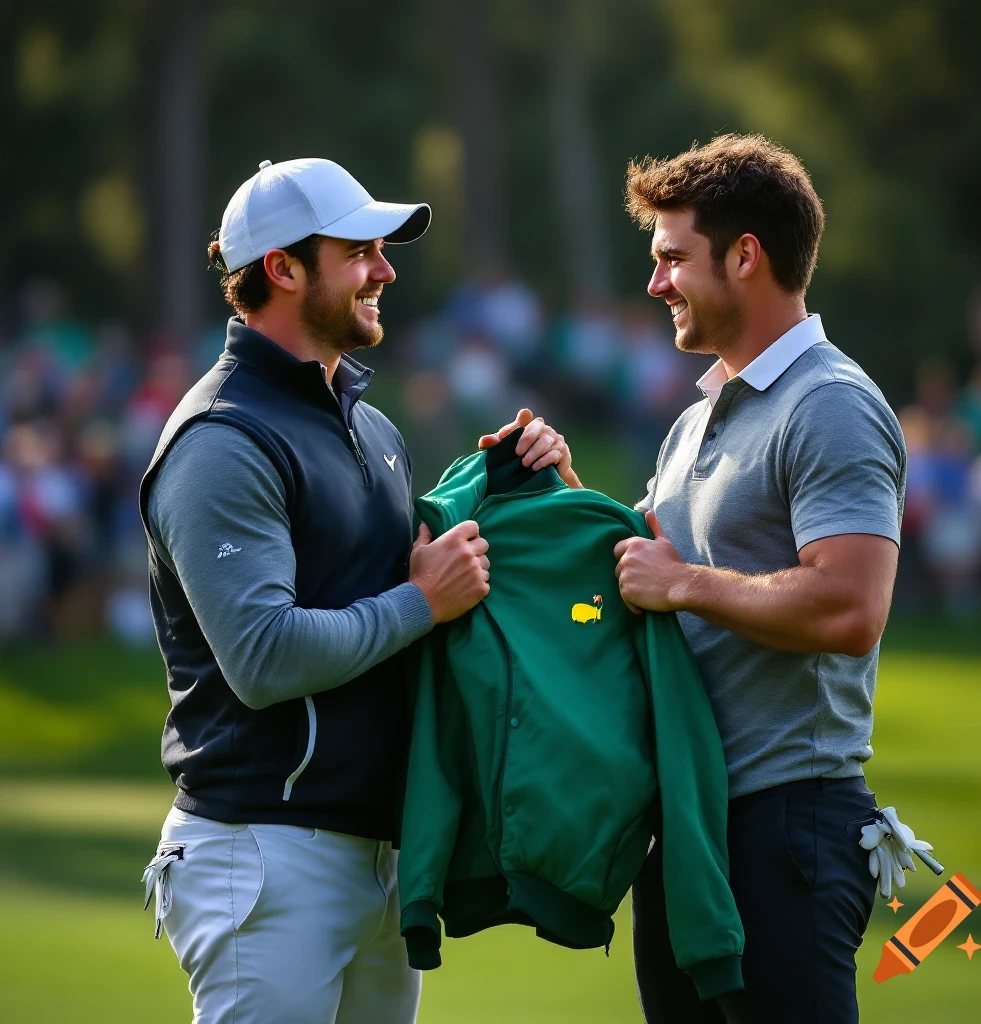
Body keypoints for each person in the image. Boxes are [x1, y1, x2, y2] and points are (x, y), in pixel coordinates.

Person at [138, 157, 572, 1024]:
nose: (386, 270)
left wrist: (531, 481)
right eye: (361, 251)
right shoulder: (222, 439)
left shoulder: (368, 426)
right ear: (283, 269)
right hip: (262, 849)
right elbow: (263, 657)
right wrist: (421, 604)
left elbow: (429, 580)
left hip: (375, 855)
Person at [613, 135, 907, 1022]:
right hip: (695, 828)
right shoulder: (696, 419)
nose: (657, 282)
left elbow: (853, 606)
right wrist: (549, 482)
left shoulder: (831, 403)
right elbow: (639, 573)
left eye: (673, 259)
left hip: (788, 824)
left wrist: (689, 585)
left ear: (747, 257)